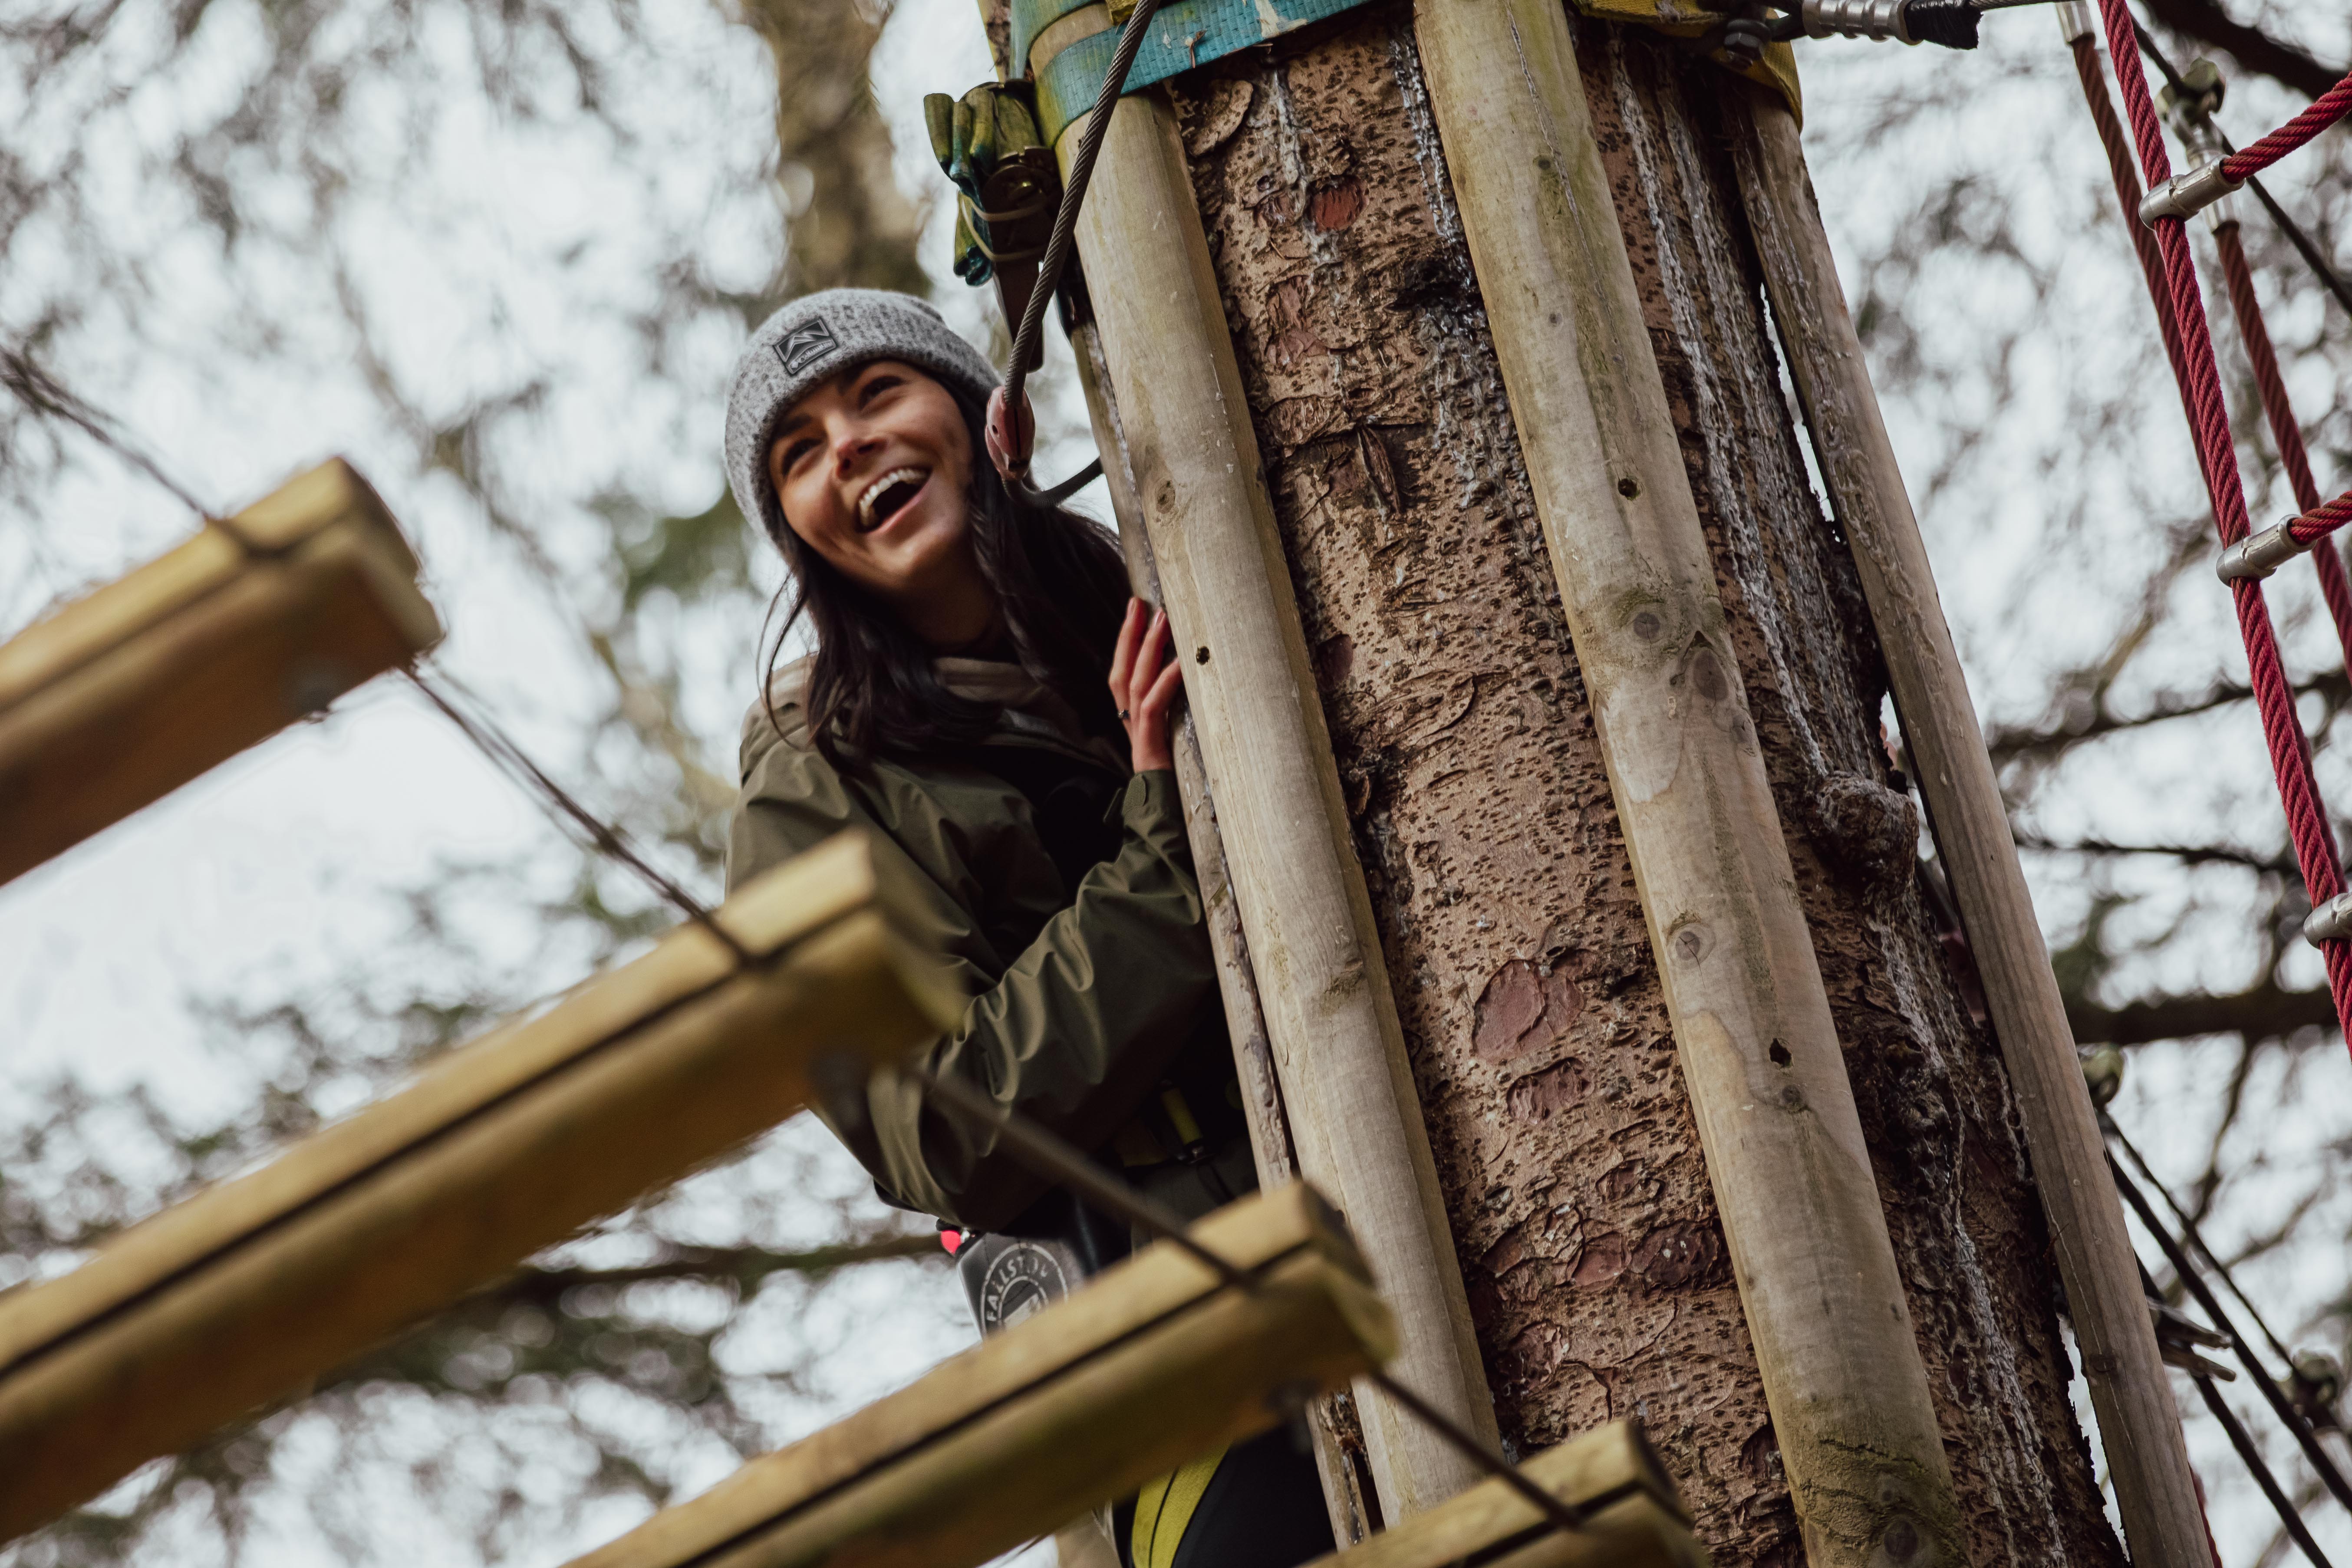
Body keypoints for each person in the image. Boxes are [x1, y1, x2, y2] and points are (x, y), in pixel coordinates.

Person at [721, 288, 1335, 1568]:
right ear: (801, 537)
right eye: (797, 452)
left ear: (977, 414)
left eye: (878, 393)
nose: (845, 446)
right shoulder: (811, 776)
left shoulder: (1167, 587)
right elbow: (938, 1125)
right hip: (1165, 1340)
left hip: (1394, 1171)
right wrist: (1165, 838)